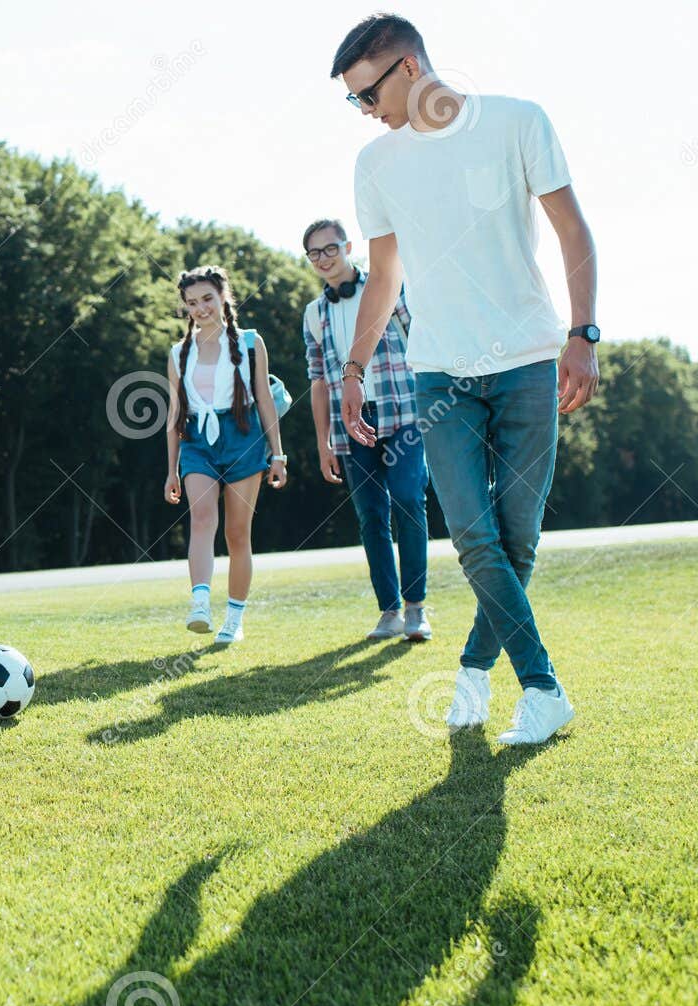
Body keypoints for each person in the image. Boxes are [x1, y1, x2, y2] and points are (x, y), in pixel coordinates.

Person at [331, 13, 599, 744]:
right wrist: (353, 368)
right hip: (438, 373)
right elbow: (383, 275)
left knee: (515, 538)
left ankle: (476, 674)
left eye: (366, 94)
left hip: (529, 361)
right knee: (476, 538)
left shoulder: (517, 121)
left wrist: (583, 334)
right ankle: (543, 688)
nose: (365, 112)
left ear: (409, 67)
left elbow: (574, 232)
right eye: (353, 101)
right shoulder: (376, 165)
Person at [301, 217, 431, 642]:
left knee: (410, 499)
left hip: (404, 411)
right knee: (371, 515)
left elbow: (422, 338)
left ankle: (416, 608)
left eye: (330, 248)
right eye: (314, 252)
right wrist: (323, 443)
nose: (323, 258)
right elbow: (318, 381)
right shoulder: (314, 314)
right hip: (352, 426)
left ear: (349, 246)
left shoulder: (389, 283)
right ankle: (389, 611)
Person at [162, 266, 288, 644]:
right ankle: (200, 602)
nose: (200, 308)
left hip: (244, 436)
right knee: (201, 519)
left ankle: (234, 618)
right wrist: (172, 469)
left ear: (222, 297)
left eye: (206, 299)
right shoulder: (178, 352)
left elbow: (264, 399)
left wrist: (278, 454)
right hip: (197, 440)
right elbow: (174, 413)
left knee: (237, 533)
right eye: (191, 303)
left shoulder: (251, 342)